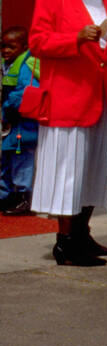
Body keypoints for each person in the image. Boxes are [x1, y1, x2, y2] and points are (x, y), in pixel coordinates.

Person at [29, 0, 107, 265]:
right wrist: (75, 38)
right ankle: (65, 243)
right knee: (67, 172)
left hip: (100, 98)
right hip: (66, 99)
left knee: (92, 170)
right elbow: (37, 42)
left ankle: (83, 234)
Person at [0, 27, 39, 215]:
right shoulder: (6, 65)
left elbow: (25, 91)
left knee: (22, 160)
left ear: (23, 47)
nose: (6, 50)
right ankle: (7, 195)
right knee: (7, 157)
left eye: (11, 47)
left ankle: (24, 196)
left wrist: (7, 106)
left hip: (23, 122)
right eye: (3, 46)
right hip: (10, 122)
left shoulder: (26, 65)